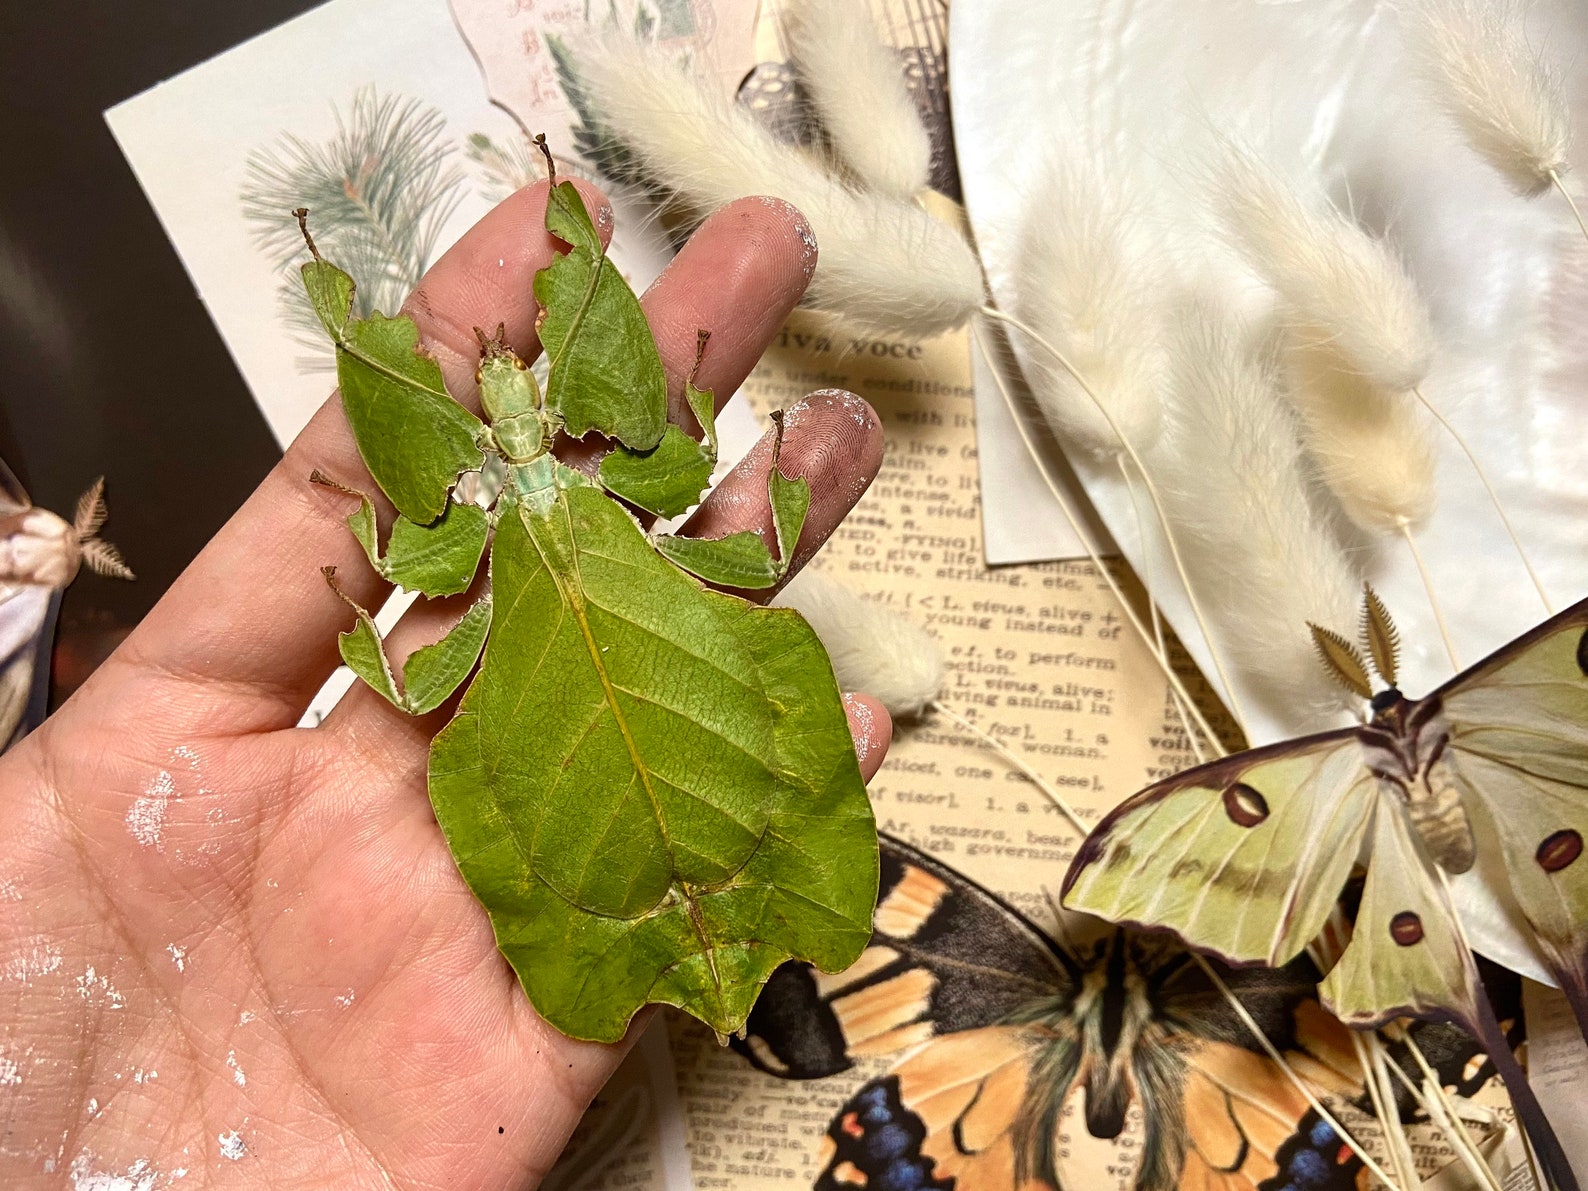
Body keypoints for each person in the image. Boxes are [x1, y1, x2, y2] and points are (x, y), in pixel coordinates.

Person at [0, 180, 894, 1187]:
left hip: (572, 765)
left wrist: (362, 569)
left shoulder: (459, 545)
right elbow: (679, 477)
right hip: (653, 765)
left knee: (430, 698)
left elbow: (420, 651)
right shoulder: (603, 482)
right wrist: (683, 400)